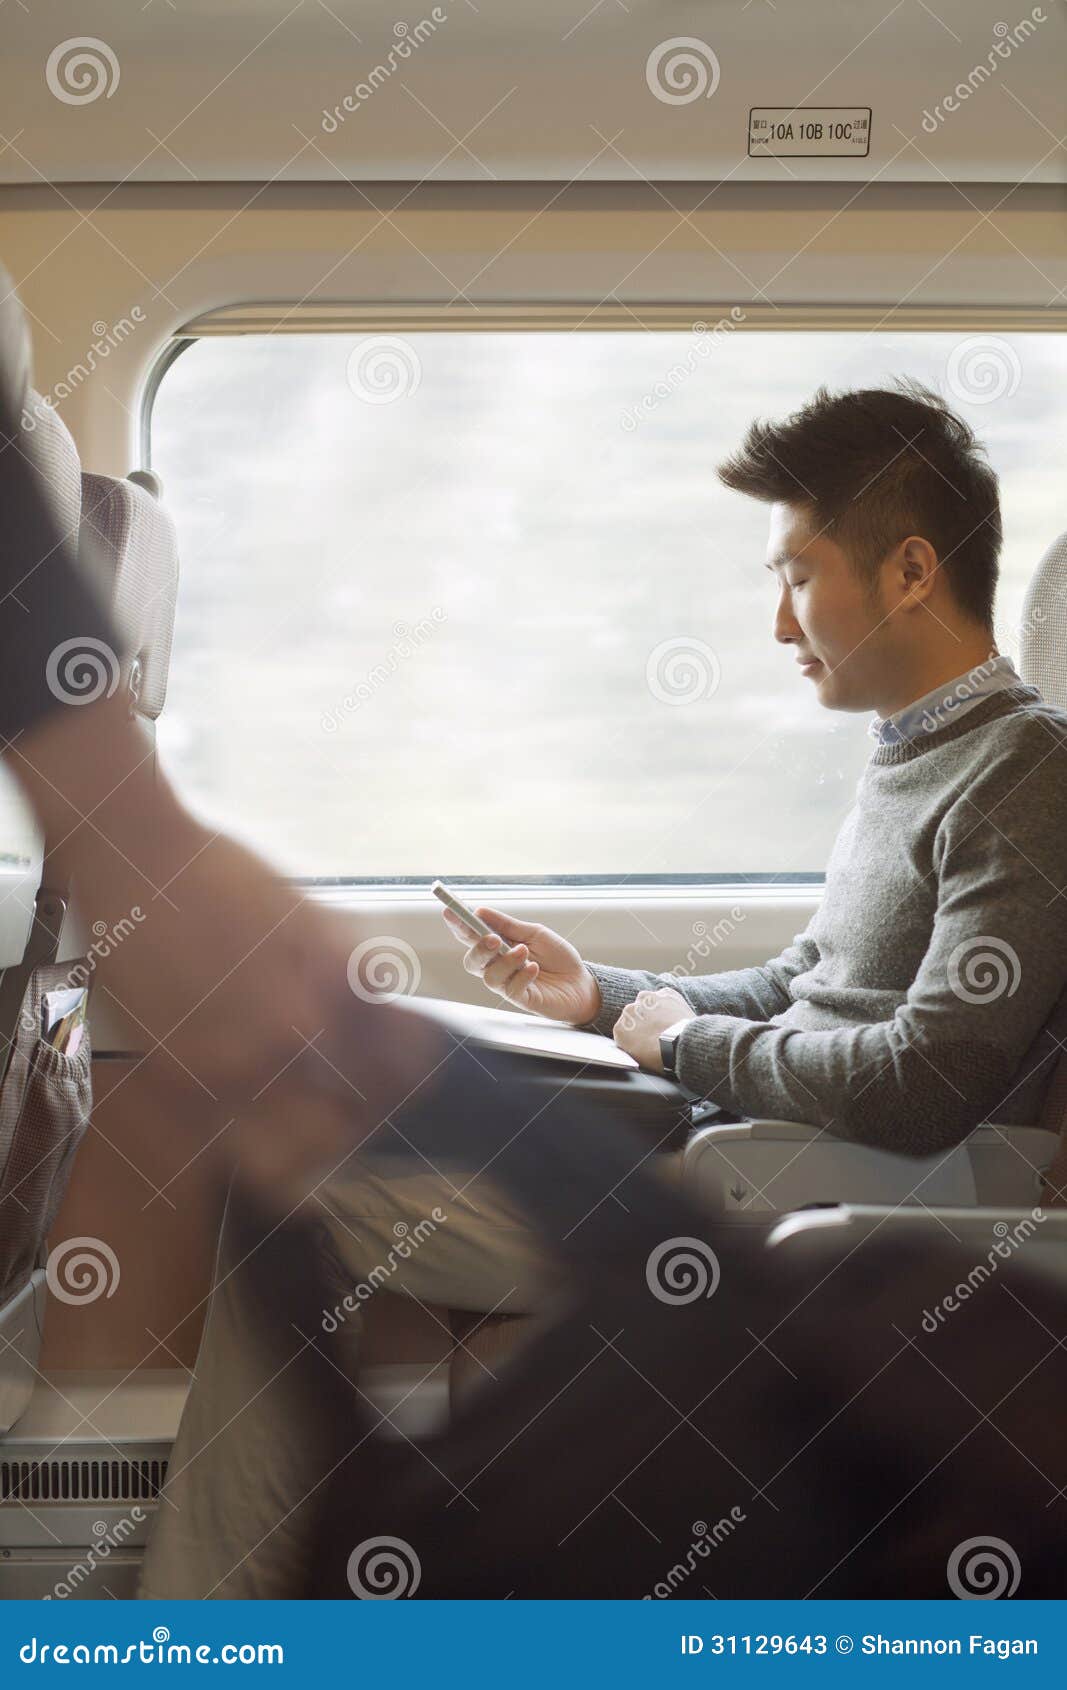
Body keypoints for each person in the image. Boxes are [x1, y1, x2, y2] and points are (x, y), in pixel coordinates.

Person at [449, 383, 1067, 1155]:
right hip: (746, 1150)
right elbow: (801, 982)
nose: (779, 626)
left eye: (799, 580)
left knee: (332, 1187)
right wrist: (598, 999)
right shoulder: (914, 749)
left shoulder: (1024, 773)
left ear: (911, 573)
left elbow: (923, 1087)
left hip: (793, 1190)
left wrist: (684, 1045)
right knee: (423, 1083)